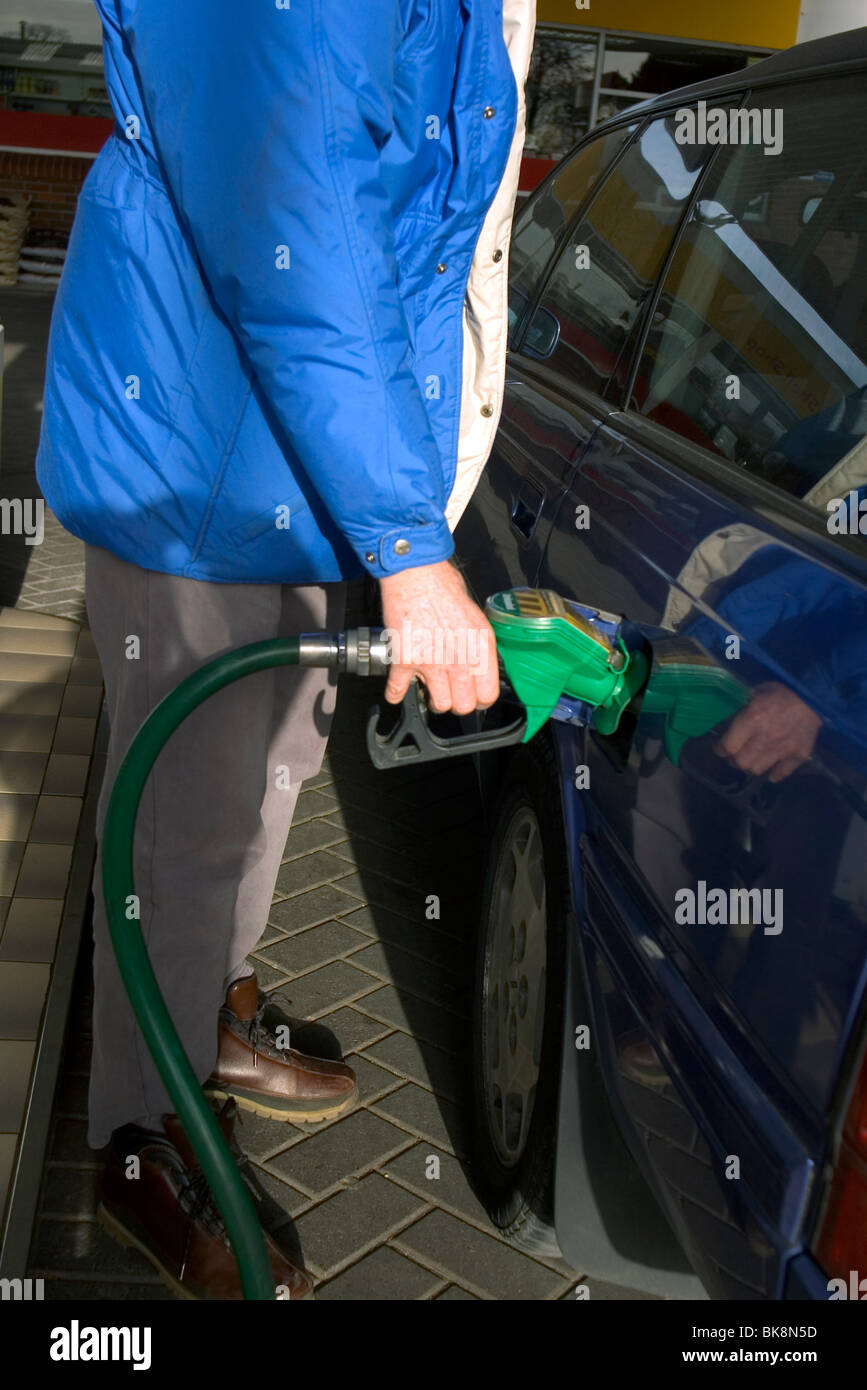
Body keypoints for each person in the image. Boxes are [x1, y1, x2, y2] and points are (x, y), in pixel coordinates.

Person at [35, 1, 535, 1299]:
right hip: (198, 461)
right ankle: (141, 1138)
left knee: (269, 774)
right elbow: (298, 224)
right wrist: (411, 550)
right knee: (186, 815)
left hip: (297, 465)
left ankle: (210, 1004)